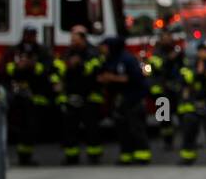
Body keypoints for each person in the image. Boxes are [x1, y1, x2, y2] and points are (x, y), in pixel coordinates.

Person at [1, 26, 53, 166]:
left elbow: (48, 68)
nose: (31, 37)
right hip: (15, 93)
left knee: (30, 127)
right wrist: (18, 67)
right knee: (15, 125)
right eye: (29, 34)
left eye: (33, 34)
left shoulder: (42, 50)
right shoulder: (14, 50)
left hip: (35, 94)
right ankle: (13, 156)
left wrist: (32, 65)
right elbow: (4, 68)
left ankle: (25, 156)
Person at [97, 36, 151, 165]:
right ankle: (126, 156)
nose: (102, 49)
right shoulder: (109, 59)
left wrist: (112, 78)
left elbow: (135, 78)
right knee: (122, 129)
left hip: (133, 99)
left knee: (136, 128)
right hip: (119, 100)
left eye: (104, 47)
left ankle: (142, 156)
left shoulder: (127, 59)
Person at [54, 26, 103, 165]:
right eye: (71, 39)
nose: (72, 42)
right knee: (70, 128)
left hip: (90, 96)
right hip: (71, 95)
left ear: (83, 38)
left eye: (75, 40)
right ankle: (71, 156)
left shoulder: (93, 52)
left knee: (92, 128)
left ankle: (94, 156)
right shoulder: (68, 52)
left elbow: (94, 70)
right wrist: (63, 72)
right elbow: (58, 68)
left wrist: (80, 64)